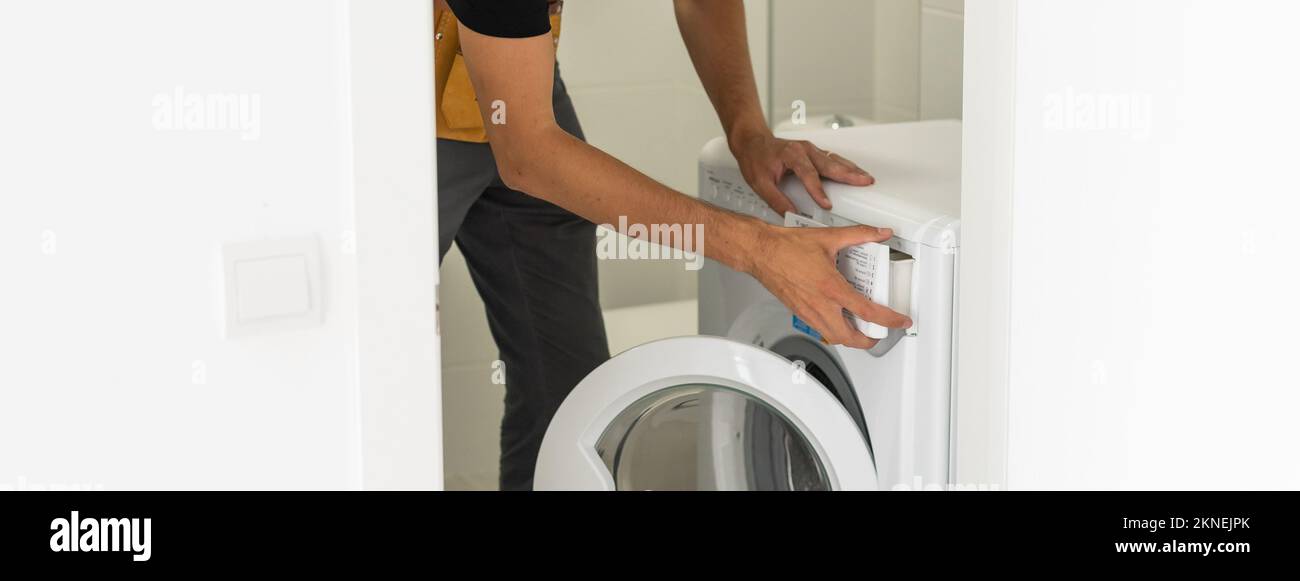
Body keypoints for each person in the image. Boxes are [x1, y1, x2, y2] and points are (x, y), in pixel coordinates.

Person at [436, 0, 911, 490]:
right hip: (397, 90)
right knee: (377, 358)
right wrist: (758, 249)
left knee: (564, 386)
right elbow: (529, 155)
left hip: (514, 70)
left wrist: (747, 132)